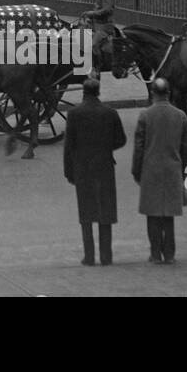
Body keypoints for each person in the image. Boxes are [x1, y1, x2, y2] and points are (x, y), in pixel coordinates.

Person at [63, 77, 126, 266]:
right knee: (105, 211)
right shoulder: (110, 113)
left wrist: (69, 171)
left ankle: (89, 256)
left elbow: (69, 146)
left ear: (84, 92)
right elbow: (121, 140)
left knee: (86, 213)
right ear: (98, 92)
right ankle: (106, 255)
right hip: (104, 165)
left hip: (83, 168)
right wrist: (106, 148)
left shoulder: (74, 113)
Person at [131, 78, 187, 265]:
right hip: (173, 168)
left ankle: (155, 253)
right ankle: (170, 253)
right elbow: (185, 149)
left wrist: (136, 171)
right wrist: (184, 174)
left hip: (151, 169)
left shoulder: (145, 115)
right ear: (169, 93)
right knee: (169, 215)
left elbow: (139, 147)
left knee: (153, 214)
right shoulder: (180, 116)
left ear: (153, 94)